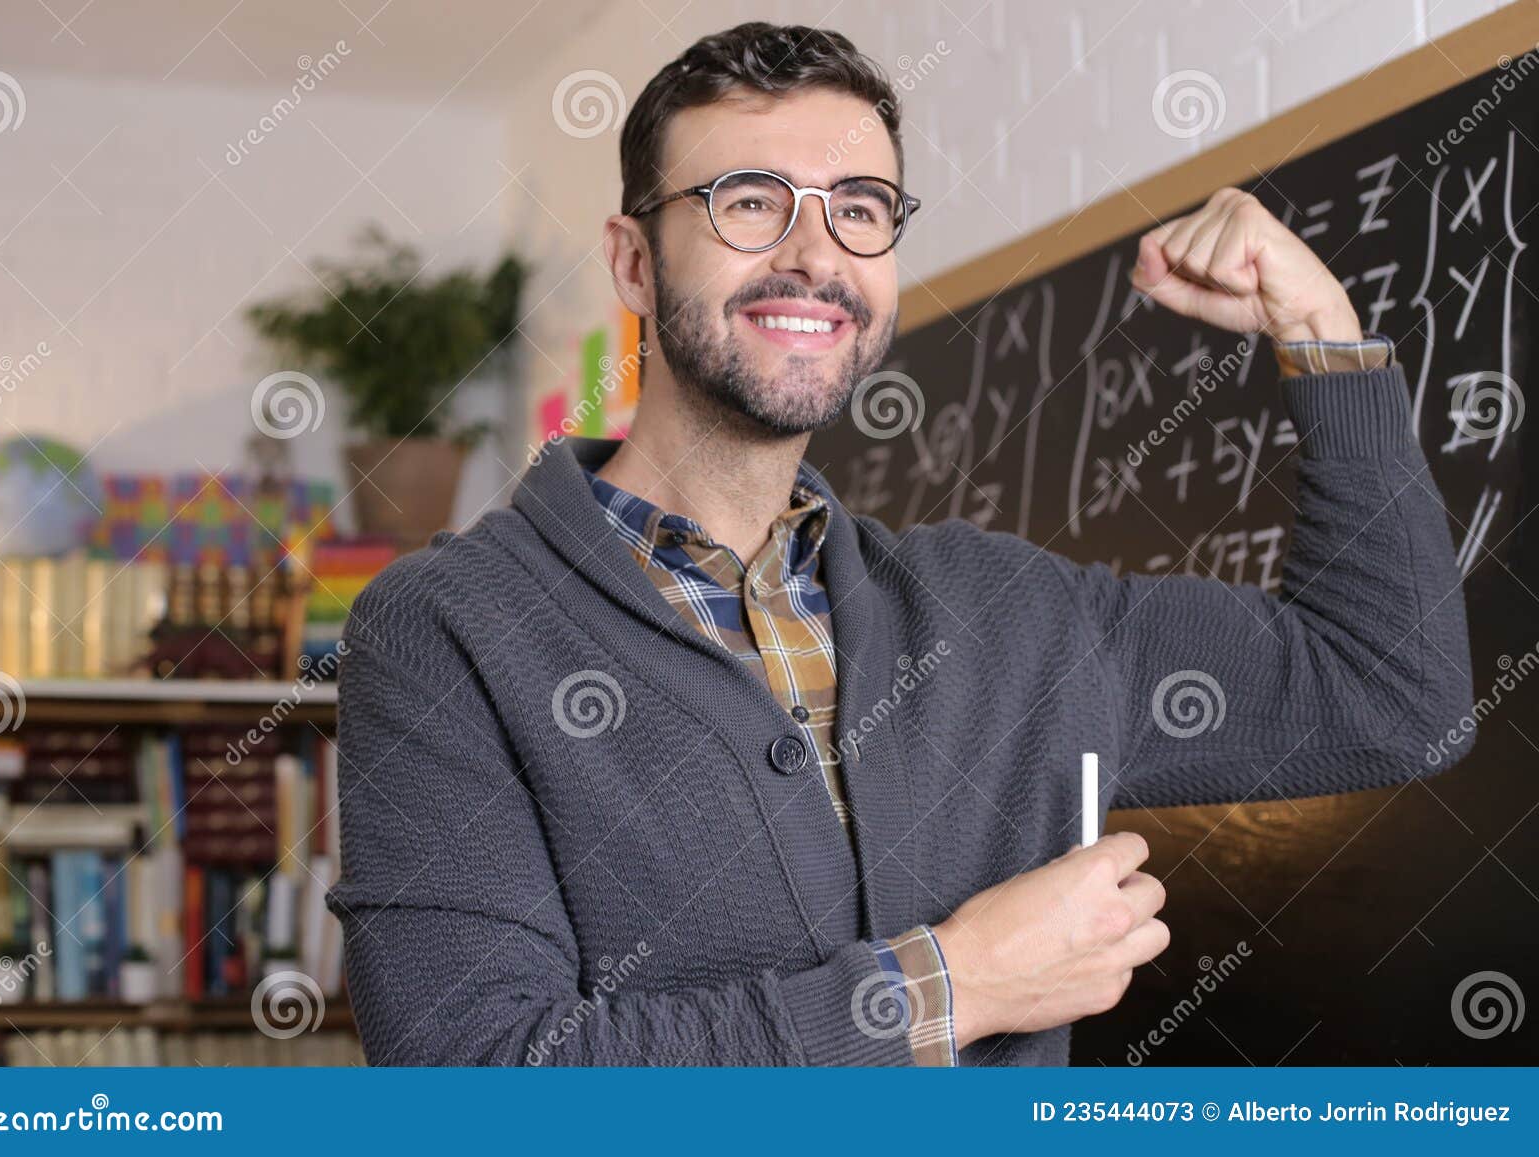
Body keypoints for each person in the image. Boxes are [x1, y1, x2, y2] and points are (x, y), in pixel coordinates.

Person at [326, 22, 1475, 1066]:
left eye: (860, 208)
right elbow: (470, 1080)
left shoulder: (1012, 611)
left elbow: (1388, 691)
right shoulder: (444, 627)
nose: (814, 255)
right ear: (635, 260)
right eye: (748, 200)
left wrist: (1323, 333)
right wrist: (948, 985)